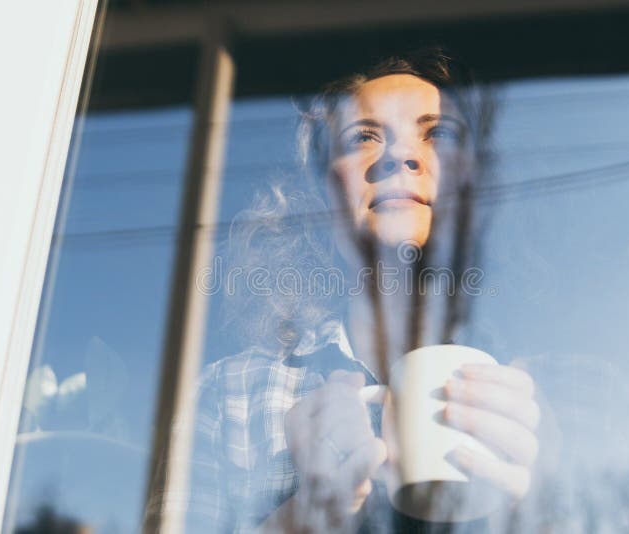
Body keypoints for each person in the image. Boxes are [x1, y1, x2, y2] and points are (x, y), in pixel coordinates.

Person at [186, 48, 542, 533]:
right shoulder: (231, 394)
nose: (399, 153)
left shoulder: (560, 395)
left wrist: (542, 506)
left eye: (438, 133)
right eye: (363, 137)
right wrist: (297, 520)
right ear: (322, 194)